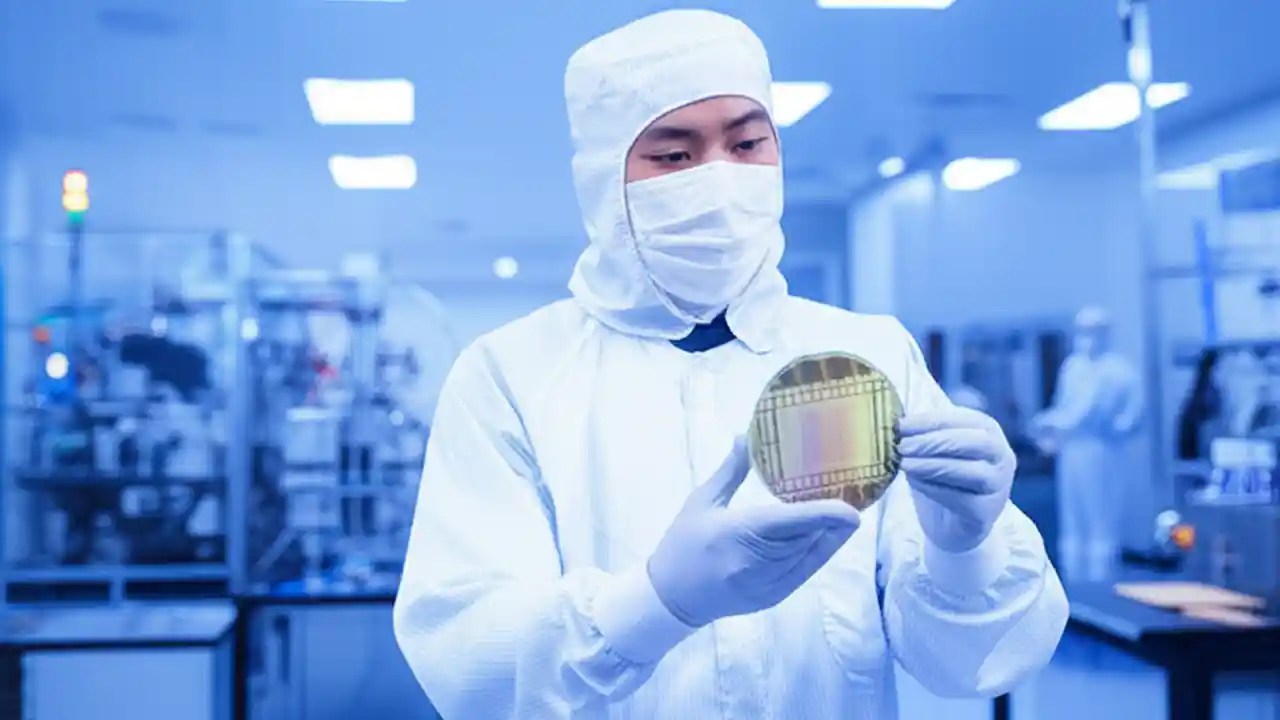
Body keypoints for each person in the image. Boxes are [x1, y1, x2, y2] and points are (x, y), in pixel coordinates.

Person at [395, 10, 1068, 719]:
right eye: (674, 156)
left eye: (748, 143)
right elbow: (468, 667)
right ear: (603, 179)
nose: (720, 179)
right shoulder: (510, 375)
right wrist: (652, 603)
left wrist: (965, 548)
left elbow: (969, 665)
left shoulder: (869, 356)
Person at [1032, 306, 1142, 583]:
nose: (1087, 337)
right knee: (1073, 514)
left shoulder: (1120, 371)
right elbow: (1064, 406)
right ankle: (1074, 582)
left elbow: (1135, 413)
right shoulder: (1073, 367)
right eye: (1083, 331)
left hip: (1101, 449)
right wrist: (1048, 425)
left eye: (1093, 331)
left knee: (1101, 514)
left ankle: (1102, 580)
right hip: (1072, 449)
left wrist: (1116, 428)